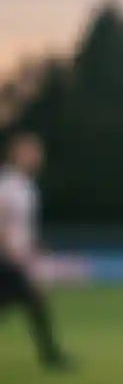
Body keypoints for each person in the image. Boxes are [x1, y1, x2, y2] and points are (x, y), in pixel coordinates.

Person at [0, 133, 73, 371]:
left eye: (37, 152)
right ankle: (51, 356)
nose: (36, 157)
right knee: (34, 301)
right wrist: (10, 249)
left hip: (17, 258)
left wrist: (35, 246)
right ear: (16, 154)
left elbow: (21, 225)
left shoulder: (26, 186)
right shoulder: (7, 183)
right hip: (7, 259)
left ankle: (50, 356)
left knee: (33, 302)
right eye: (30, 151)